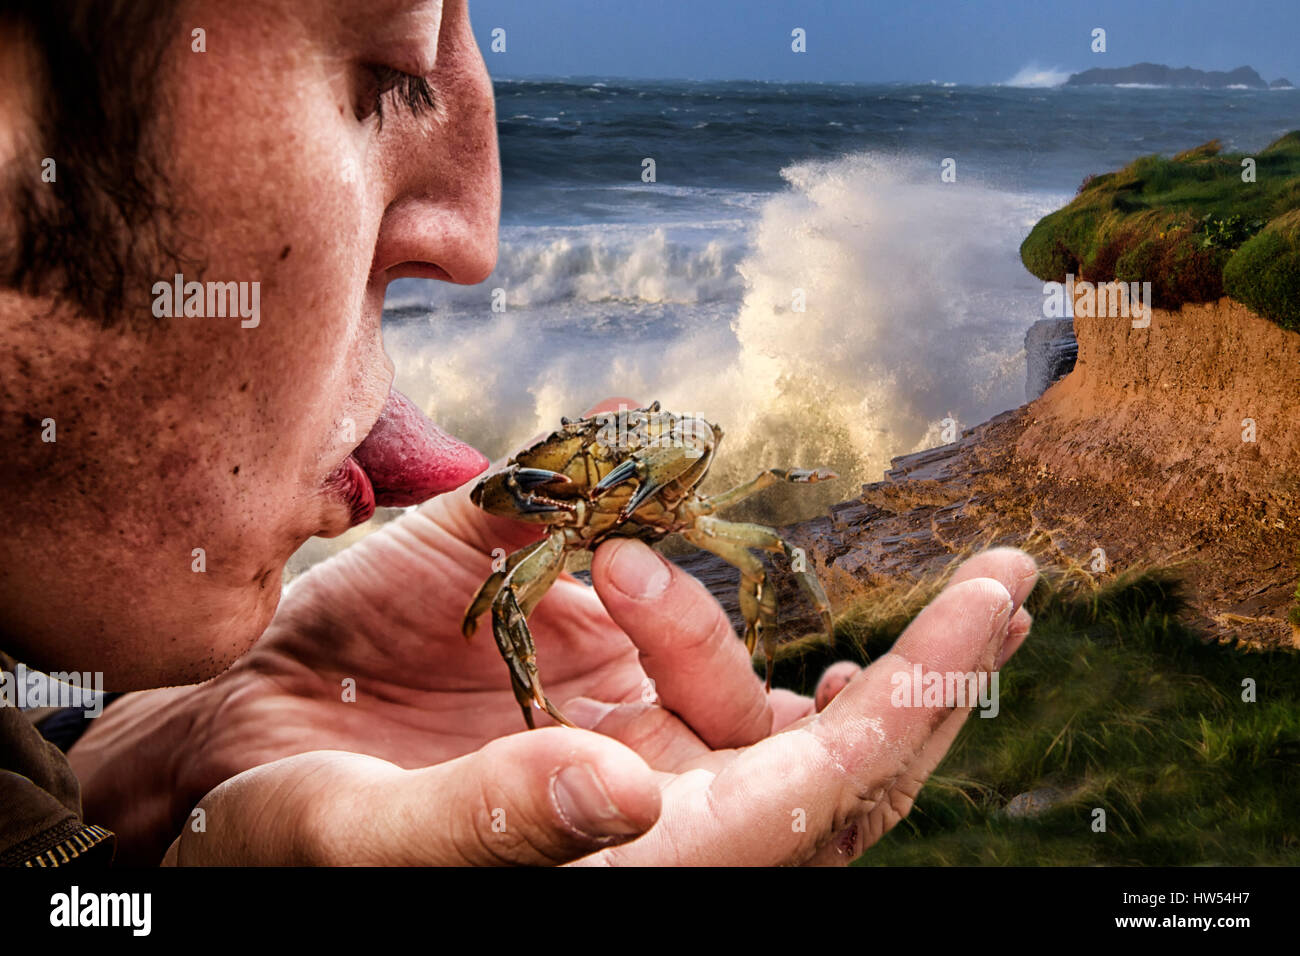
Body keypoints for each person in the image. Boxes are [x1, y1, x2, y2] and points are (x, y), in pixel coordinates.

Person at [0, 0, 1036, 866]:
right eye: (393, 70)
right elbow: (509, 590)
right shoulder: (537, 527)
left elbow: (752, 482)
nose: (476, 239)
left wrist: (152, 752)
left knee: (761, 553)